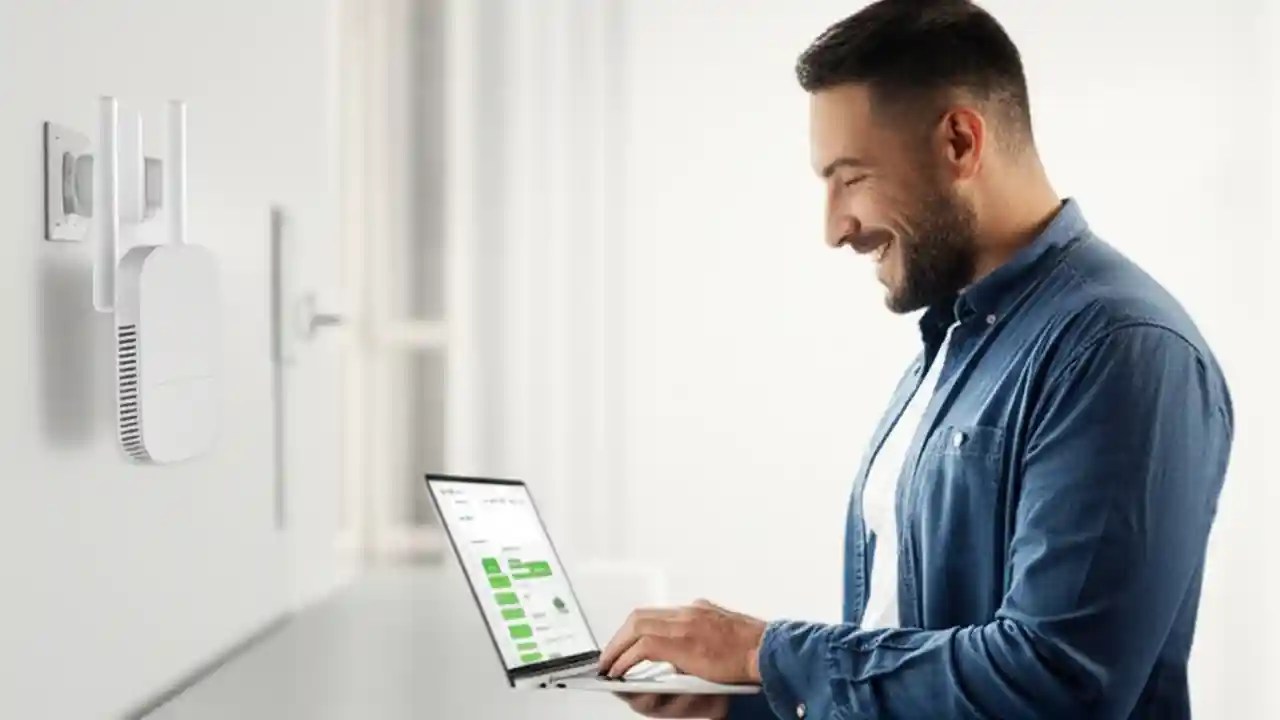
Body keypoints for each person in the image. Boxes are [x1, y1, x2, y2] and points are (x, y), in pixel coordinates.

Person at [599, 1, 1234, 718]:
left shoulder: (1121, 350)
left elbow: (1056, 685)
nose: (835, 228)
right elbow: (907, 659)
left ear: (960, 142)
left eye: (852, 177)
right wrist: (743, 704)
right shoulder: (952, 344)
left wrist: (763, 651)